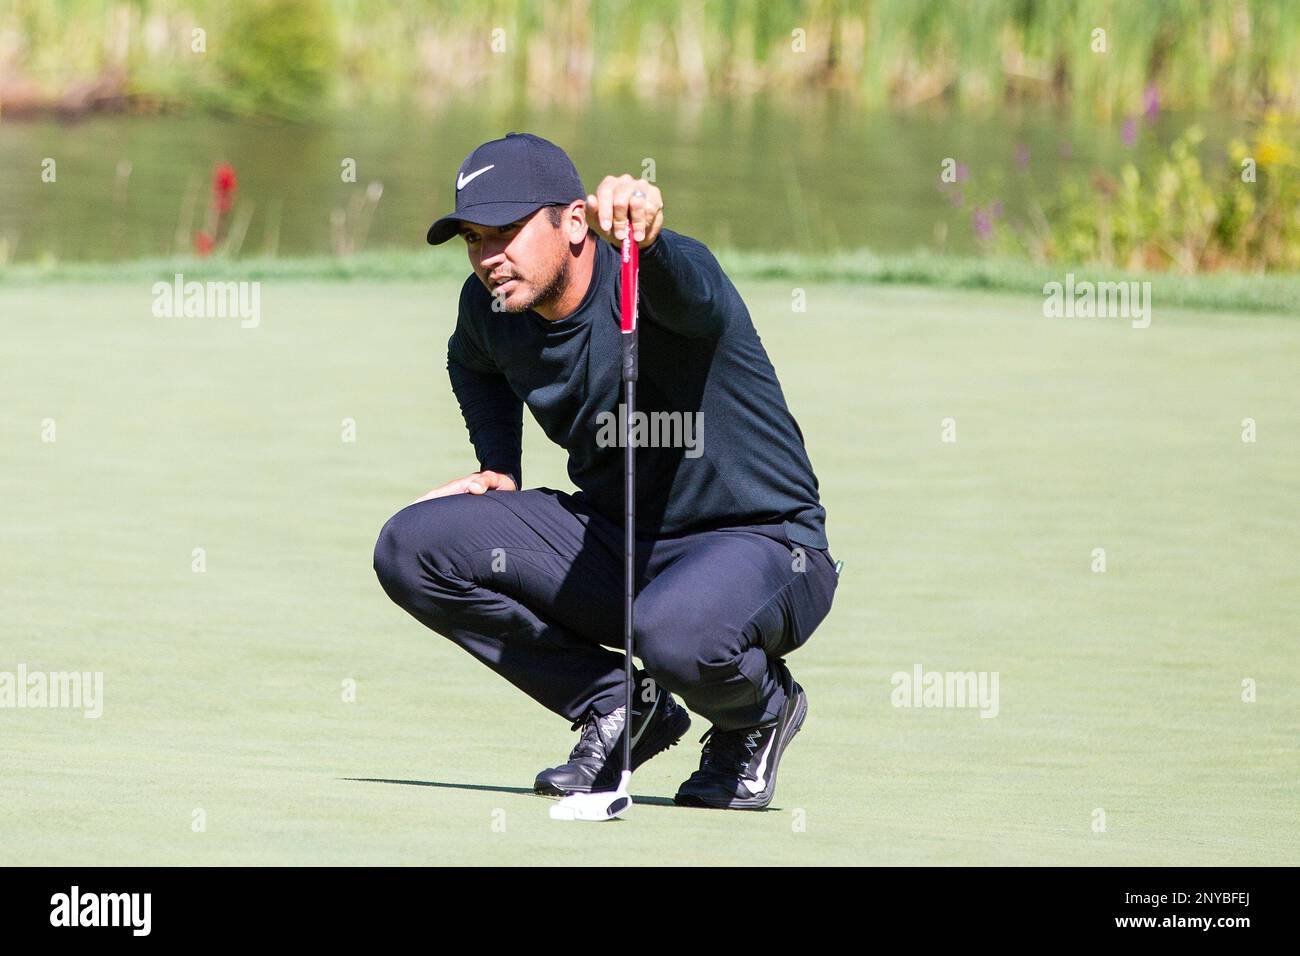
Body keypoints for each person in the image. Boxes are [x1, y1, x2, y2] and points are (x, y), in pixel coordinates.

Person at [373, 132, 839, 810]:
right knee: (411, 547)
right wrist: (498, 463)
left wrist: (650, 241)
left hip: (764, 546)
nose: (487, 258)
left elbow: (698, 295)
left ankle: (757, 712)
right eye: (474, 238)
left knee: (674, 631)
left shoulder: (655, 277)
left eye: (506, 231)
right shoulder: (492, 308)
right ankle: (620, 705)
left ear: (574, 221)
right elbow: (470, 364)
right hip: (620, 540)